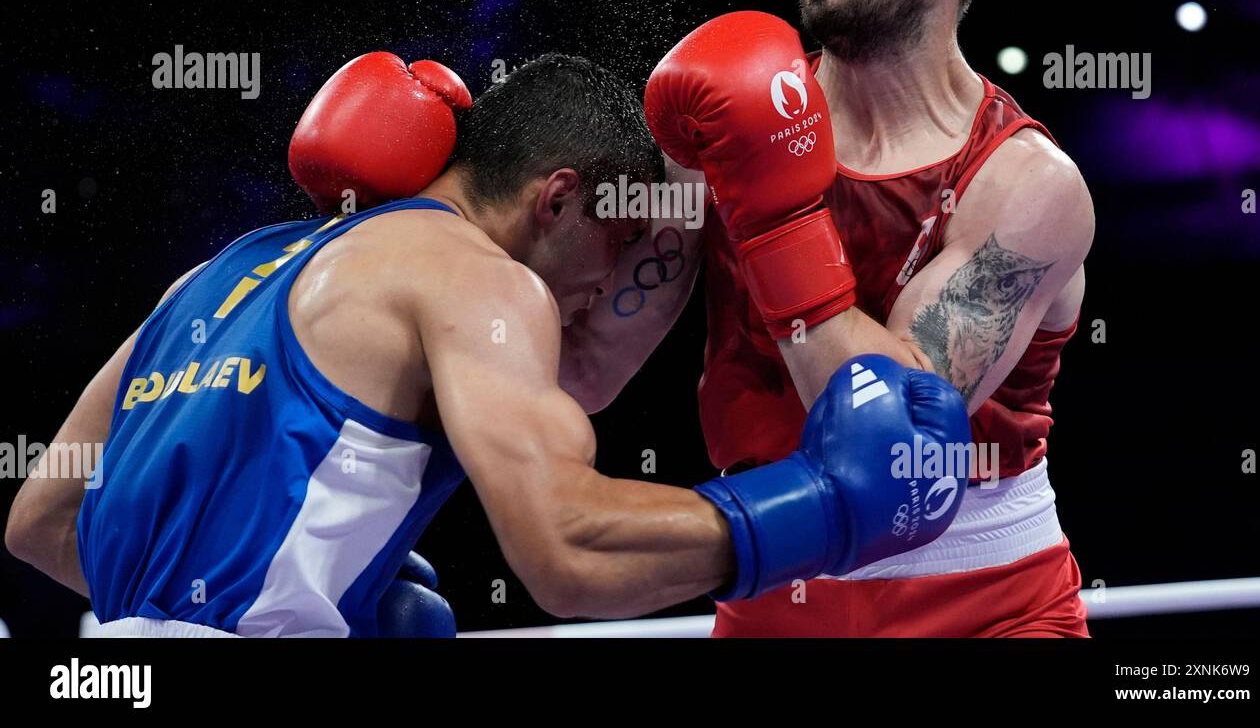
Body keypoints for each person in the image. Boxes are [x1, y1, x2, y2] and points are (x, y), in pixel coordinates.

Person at [4, 51, 970, 637]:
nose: (601, 289)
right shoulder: (480, 276)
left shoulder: (217, 273)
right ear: (556, 197)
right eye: (615, 240)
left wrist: (255, 594)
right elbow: (565, 548)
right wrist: (826, 506)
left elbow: (41, 522)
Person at [577, 0, 1096, 637]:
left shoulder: (1029, 185)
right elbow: (591, 368)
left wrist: (771, 206)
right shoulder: (723, 124)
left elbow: (883, 444)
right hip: (770, 589)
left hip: (987, 603)